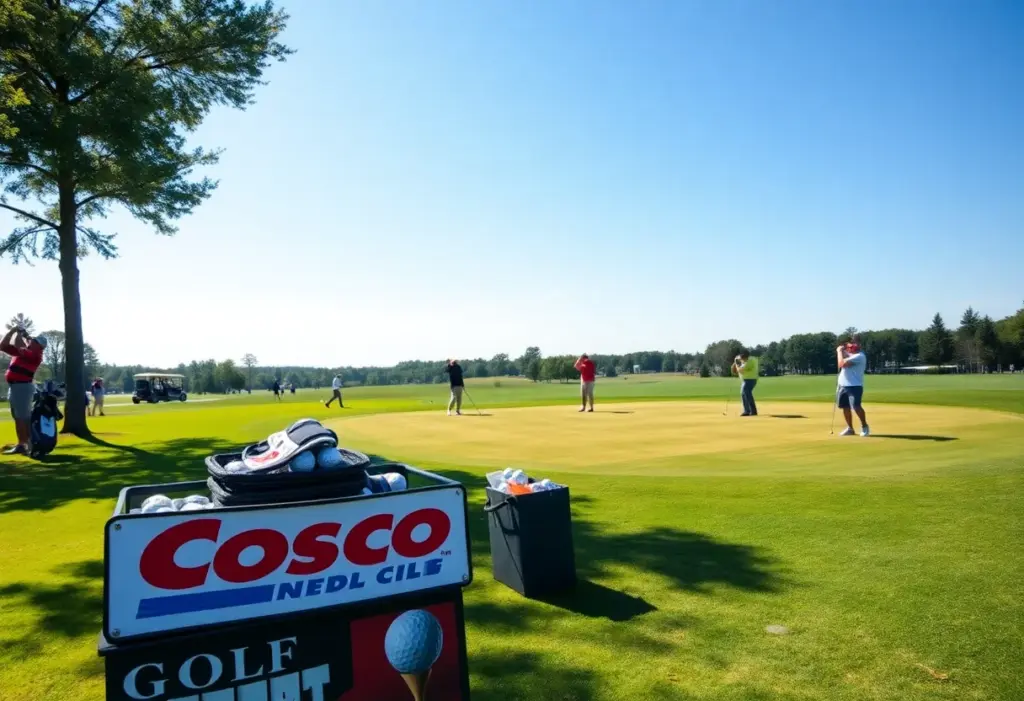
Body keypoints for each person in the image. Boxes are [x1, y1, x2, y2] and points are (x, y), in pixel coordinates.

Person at [1, 326, 47, 456]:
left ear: (39, 346)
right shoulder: (24, 351)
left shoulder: (35, 355)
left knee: (23, 417)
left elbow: (18, 344)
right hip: (15, 386)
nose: (31, 341)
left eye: (35, 341)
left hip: (22, 386)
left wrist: (19, 333)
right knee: (17, 416)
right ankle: (23, 443)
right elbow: (3, 345)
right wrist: (12, 332)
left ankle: (27, 444)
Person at [837, 335, 870, 436]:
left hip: (854, 385)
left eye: (855, 343)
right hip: (843, 385)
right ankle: (850, 429)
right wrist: (843, 350)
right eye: (851, 343)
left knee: (856, 407)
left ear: (860, 345)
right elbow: (846, 355)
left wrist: (839, 351)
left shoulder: (859, 356)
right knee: (845, 407)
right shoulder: (851, 355)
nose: (853, 345)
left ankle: (864, 426)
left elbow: (841, 364)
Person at [731, 351, 760, 416]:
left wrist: (736, 366)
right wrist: (734, 364)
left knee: (746, 393)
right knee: (743, 393)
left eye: (745, 358)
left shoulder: (750, 361)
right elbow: (736, 360)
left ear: (747, 357)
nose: (744, 360)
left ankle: (752, 411)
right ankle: (747, 410)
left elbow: (740, 370)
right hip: (745, 380)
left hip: (751, 379)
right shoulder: (739, 358)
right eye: (742, 358)